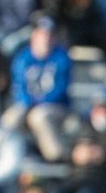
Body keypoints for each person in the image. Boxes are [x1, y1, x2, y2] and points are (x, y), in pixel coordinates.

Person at [6, 18, 71, 163]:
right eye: (41, 35)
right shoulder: (22, 58)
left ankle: (56, 157)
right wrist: (28, 103)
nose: (45, 40)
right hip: (28, 104)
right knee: (9, 120)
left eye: (48, 36)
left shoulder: (62, 57)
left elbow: (60, 89)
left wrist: (40, 102)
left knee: (40, 116)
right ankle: (13, 158)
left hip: (56, 106)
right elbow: (19, 87)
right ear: (34, 37)